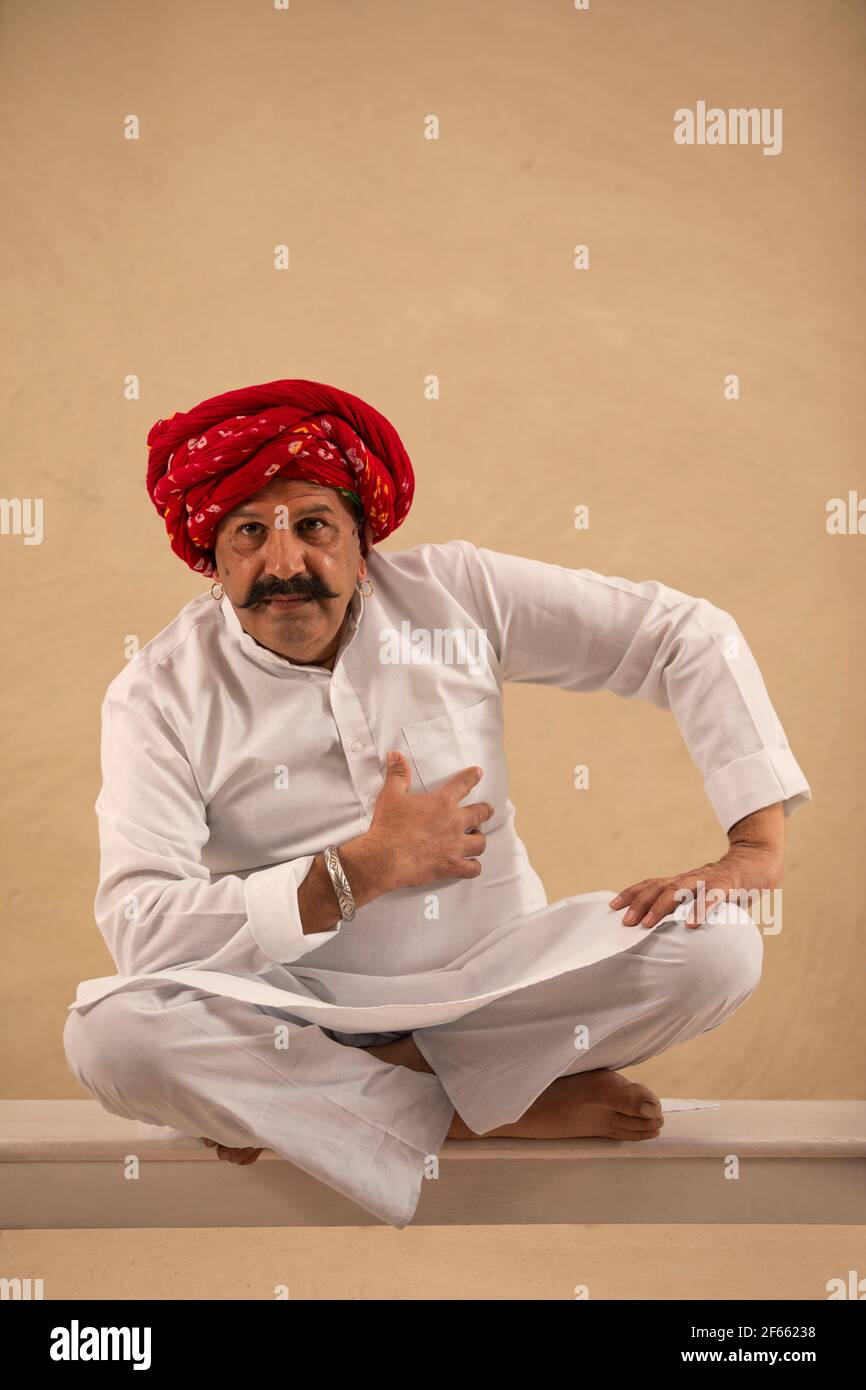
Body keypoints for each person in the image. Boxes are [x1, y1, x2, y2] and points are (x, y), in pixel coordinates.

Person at [63, 377, 812, 1227]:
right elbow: (141, 925)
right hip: (292, 1015)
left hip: (500, 989)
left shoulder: (457, 595)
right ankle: (477, 1107)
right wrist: (355, 871)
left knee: (720, 947)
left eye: (312, 526)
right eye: (247, 535)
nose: (283, 566)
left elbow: (681, 633)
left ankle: (336, 1109)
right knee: (112, 1039)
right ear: (212, 553)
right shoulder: (156, 692)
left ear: (361, 536)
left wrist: (755, 844)